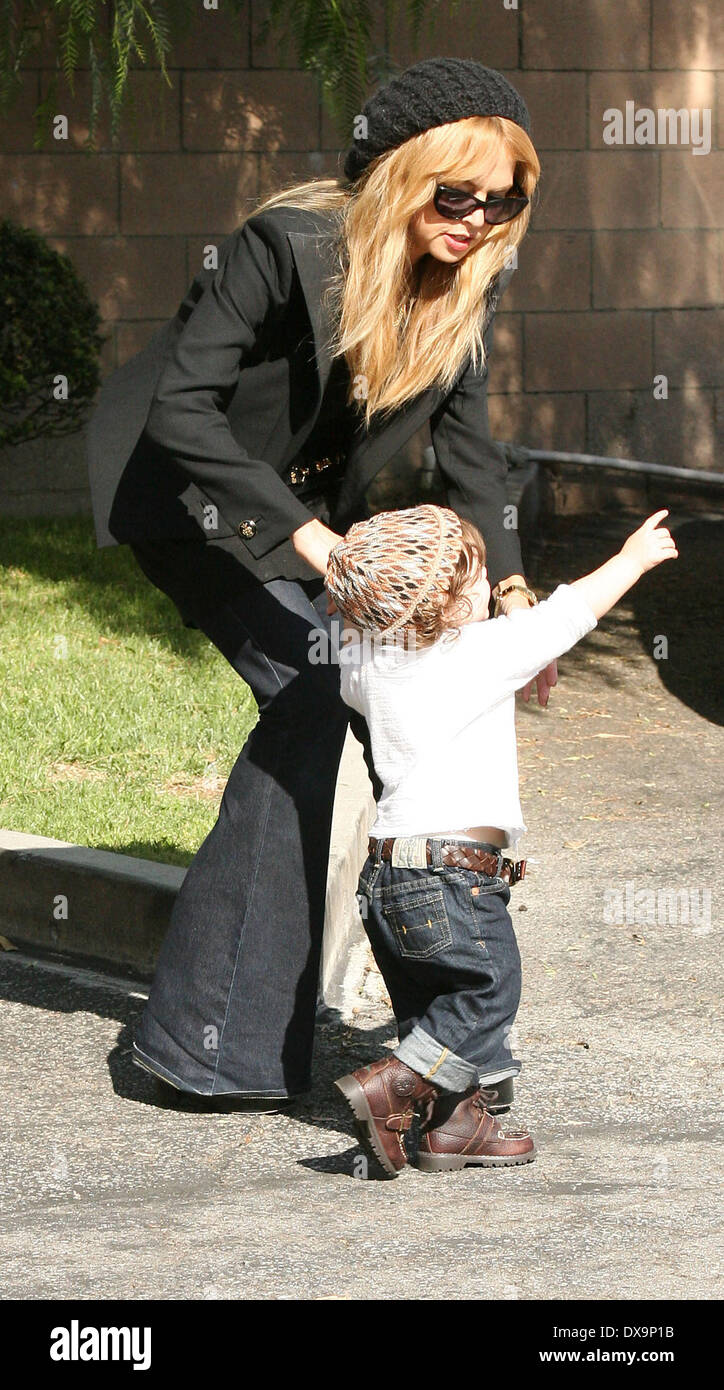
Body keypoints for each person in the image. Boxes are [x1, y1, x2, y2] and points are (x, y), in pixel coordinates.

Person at [85, 56, 555, 1102]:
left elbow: (476, 463)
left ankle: (445, 1053)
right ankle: (205, 1046)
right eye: (456, 192)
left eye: (504, 198)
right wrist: (313, 544)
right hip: (189, 497)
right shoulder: (283, 247)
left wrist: (515, 599)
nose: (478, 217)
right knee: (310, 685)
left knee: (407, 712)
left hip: (309, 517)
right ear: (403, 172)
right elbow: (183, 411)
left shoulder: (461, 288)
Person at [327, 504, 678, 1176]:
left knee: (436, 1008)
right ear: (447, 602)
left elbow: (371, 631)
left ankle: (454, 1129)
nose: (492, 588)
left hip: (387, 877)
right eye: (481, 577)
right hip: (454, 877)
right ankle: (394, 1085)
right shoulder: (479, 653)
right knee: (489, 992)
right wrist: (632, 557)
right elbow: (568, 615)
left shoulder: (363, 663)